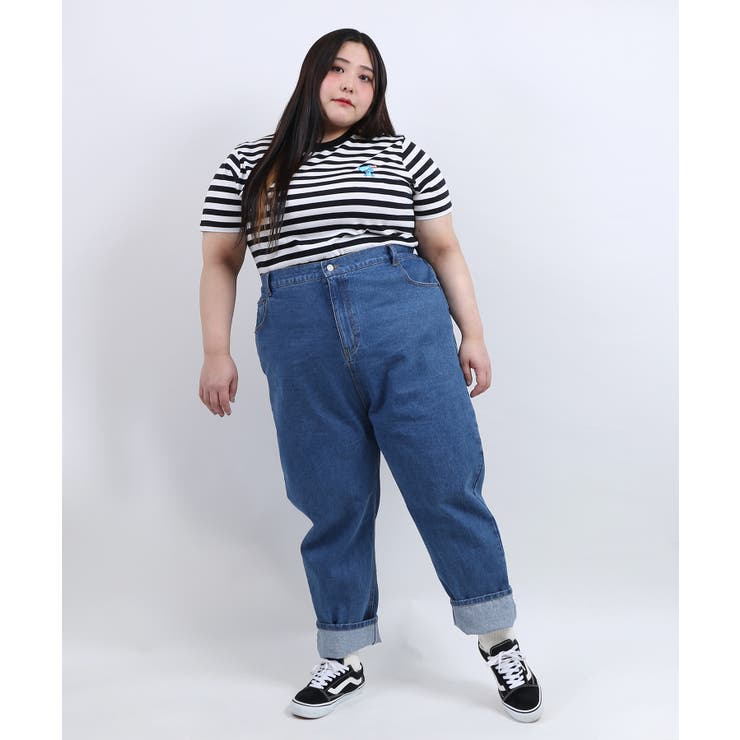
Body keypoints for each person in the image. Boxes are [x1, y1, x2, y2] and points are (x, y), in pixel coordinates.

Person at [198, 28, 542, 723]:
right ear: (312, 76)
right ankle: (343, 653)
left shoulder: (401, 155)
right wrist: (215, 350)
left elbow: (443, 247)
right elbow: (221, 260)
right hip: (299, 338)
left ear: (377, 93)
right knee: (331, 498)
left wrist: (473, 334)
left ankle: (497, 639)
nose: (351, 84)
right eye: (338, 69)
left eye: (367, 76)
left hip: (404, 327)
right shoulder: (248, 163)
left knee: (446, 482)